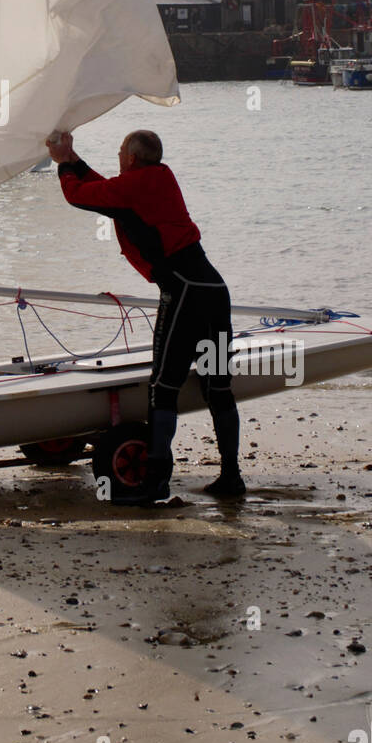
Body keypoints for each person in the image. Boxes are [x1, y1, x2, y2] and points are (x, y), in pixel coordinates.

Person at [45, 128, 243, 505]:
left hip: (183, 292)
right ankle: (231, 477)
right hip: (214, 292)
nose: (118, 154)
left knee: (163, 388)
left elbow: (80, 196)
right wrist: (72, 159)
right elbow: (109, 192)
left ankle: (155, 483)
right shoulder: (159, 178)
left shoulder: (133, 188)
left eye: (120, 150)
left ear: (132, 158)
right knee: (217, 387)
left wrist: (62, 166)